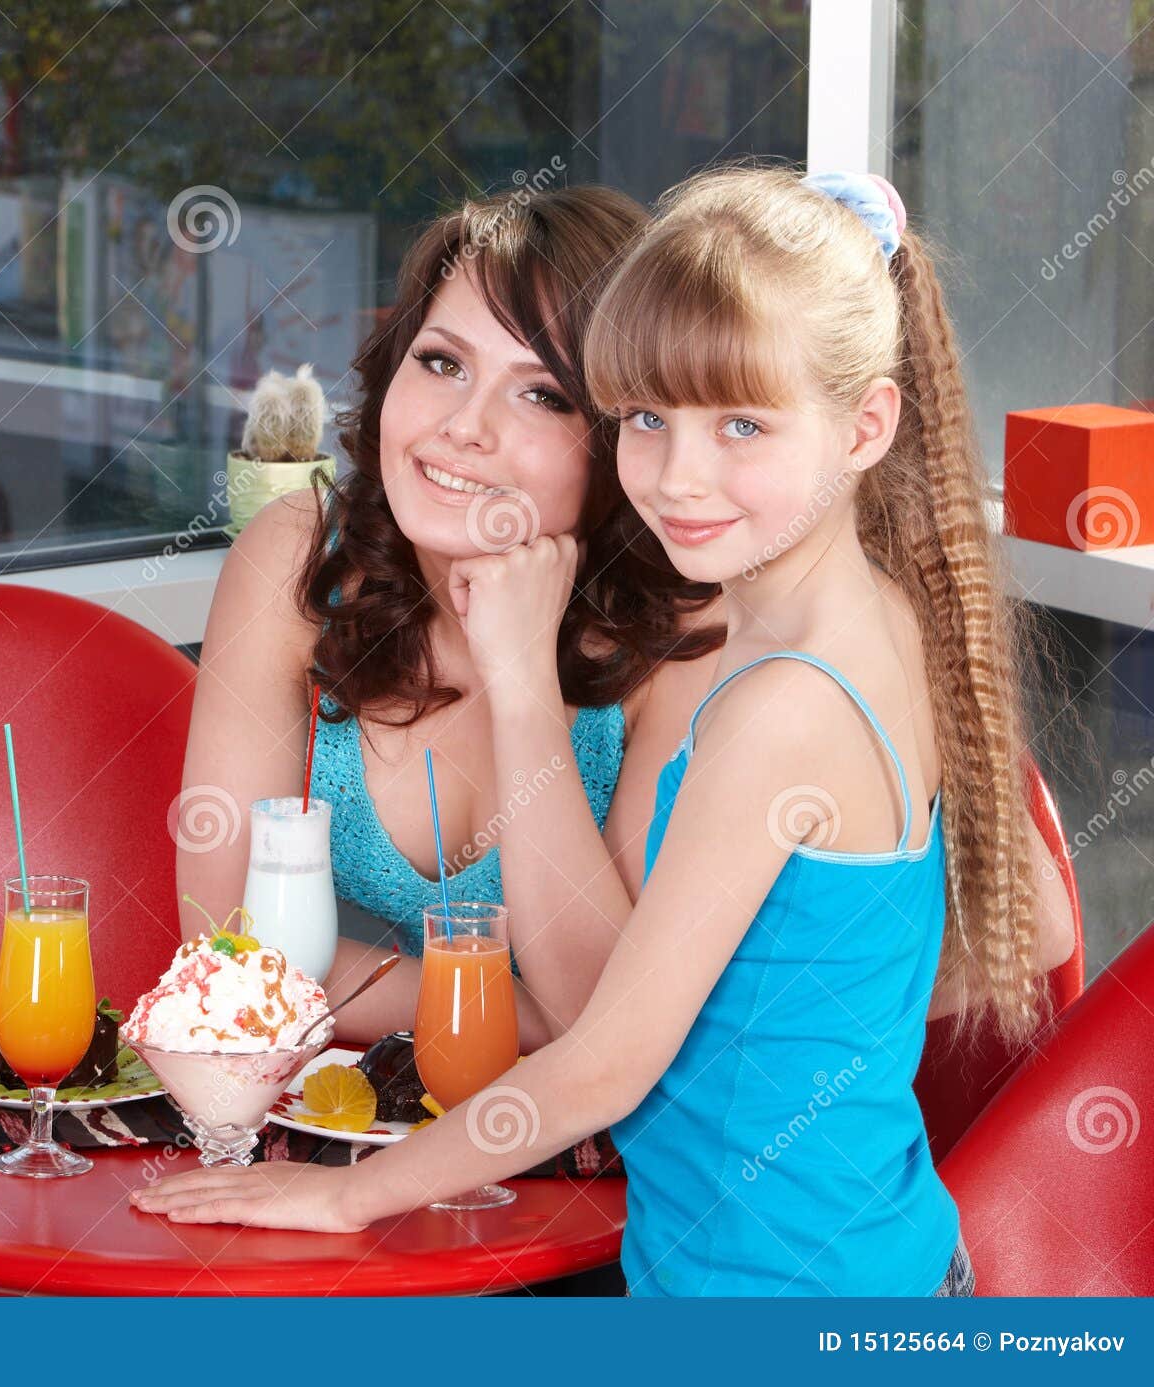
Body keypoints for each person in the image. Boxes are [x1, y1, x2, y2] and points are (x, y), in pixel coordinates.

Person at [134, 164, 1079, 1296]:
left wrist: (344, 1194)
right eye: (648, 419)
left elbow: (606, 1059)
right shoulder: (869, 616)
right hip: (821, 1264)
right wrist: (751, 1003)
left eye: (545, 397)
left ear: (865, 425)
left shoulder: (766, 690)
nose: (681, 472)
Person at [175, 183, 723, 1052]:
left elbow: (600, 1016)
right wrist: (516, 1012)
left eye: (544, 395)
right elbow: (228, 948)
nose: (465, 426)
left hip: (591, 1160)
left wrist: (521, 686)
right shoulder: (296, 560)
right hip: (350, 1118)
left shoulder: (683, 638)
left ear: (622, 442)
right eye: (441, 362)